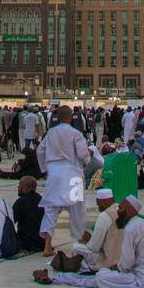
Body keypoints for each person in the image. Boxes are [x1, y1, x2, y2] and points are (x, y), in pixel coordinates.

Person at [34, 195, 144, 288]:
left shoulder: (131, 229)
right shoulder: (140, 224)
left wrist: (114, 268)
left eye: (121, 208)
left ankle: (58, 279)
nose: (118, 211)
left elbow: (126, 264)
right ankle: (59, 278)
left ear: (130, 211)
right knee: (102, 274)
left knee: (102, 276)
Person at [36, 105, 91, 259]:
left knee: (51, 210)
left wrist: (44, 169)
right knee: (77, 208)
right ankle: (79, 238)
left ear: (57, 117)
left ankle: (47, 245)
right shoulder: (76, 133)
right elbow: (82, 154)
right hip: (73, 174)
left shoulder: (51, 133)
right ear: (71, 117)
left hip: (54, 174)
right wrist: (87, 158)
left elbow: (40, 150)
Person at [50, 187, 122, 275]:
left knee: (76, 247)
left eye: (98, 203)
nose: (98, 206)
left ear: (103, 202)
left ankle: (89, 266)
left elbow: (95, 247)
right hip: (124, 257)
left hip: (109, 259)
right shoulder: (120, 210)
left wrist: (86, 240)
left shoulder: (105, 216)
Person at [12, 177, 45, 253]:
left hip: (26, 243)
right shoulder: (42, 200)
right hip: (41, 243)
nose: (18, 188)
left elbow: (11, 219)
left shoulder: (22, 201)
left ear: (25, 188)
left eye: (19, 185)